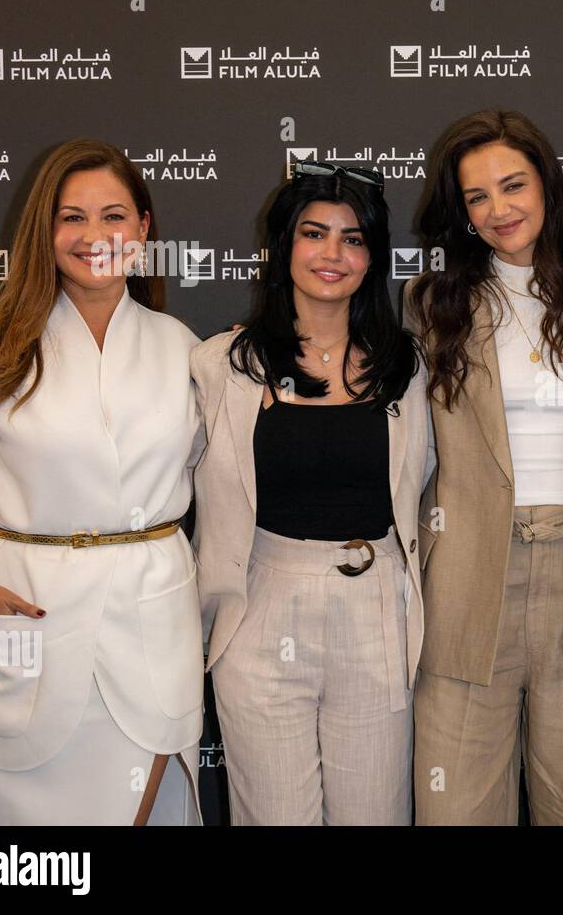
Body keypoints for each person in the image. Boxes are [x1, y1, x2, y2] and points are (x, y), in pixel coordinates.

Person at [0, 139, 203, 825]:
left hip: (151, 625)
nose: (95, 237)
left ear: (143, 228)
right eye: (71, 218)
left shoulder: (184, 350)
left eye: (114, 215)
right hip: (24, 619)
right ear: (44, 231)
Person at [406, 109, 563, 825]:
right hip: (470, 575)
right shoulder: (431, 302)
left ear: (548, 185)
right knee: (457, 807)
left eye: (513, 185)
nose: (499, 209)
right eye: (477, 197)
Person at [191, 161, 429, 825]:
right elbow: (154, 467)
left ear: (374, 256)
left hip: (377, 603)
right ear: (283, 247)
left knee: (374, 813)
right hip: (261, 603)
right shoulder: (223, 365)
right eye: (314, 234)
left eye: (353, 239)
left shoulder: (408, 368)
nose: (332, 254)